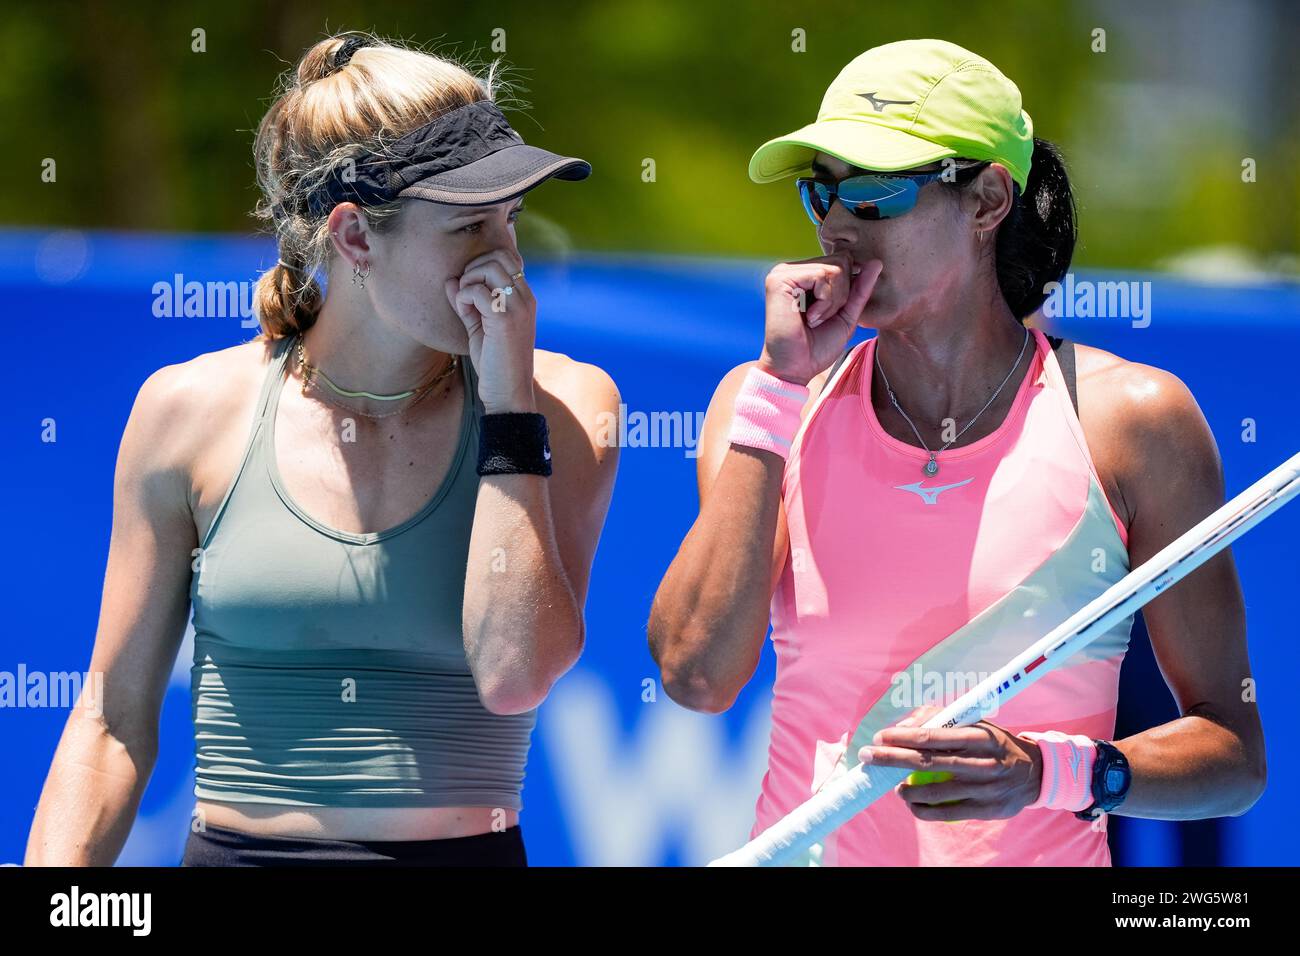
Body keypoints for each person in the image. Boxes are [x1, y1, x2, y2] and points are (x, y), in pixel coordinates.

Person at [648, 38, 1264, 865]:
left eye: (874, 193)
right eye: (820, 192)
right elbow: (695, 676)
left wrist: (1054, 771)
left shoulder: (1133, 420)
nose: (836, 225)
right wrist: (777, 390)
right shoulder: (762, 404)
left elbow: (1234, 755)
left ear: (987, 201)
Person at [26, 32, 620, 867]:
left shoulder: (563, 405)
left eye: (512, 221)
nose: (507, 264)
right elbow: (110, 719)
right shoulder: (184, 410)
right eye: (467, 228)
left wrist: (507, 405)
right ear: (354, 237)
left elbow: (515, 673)